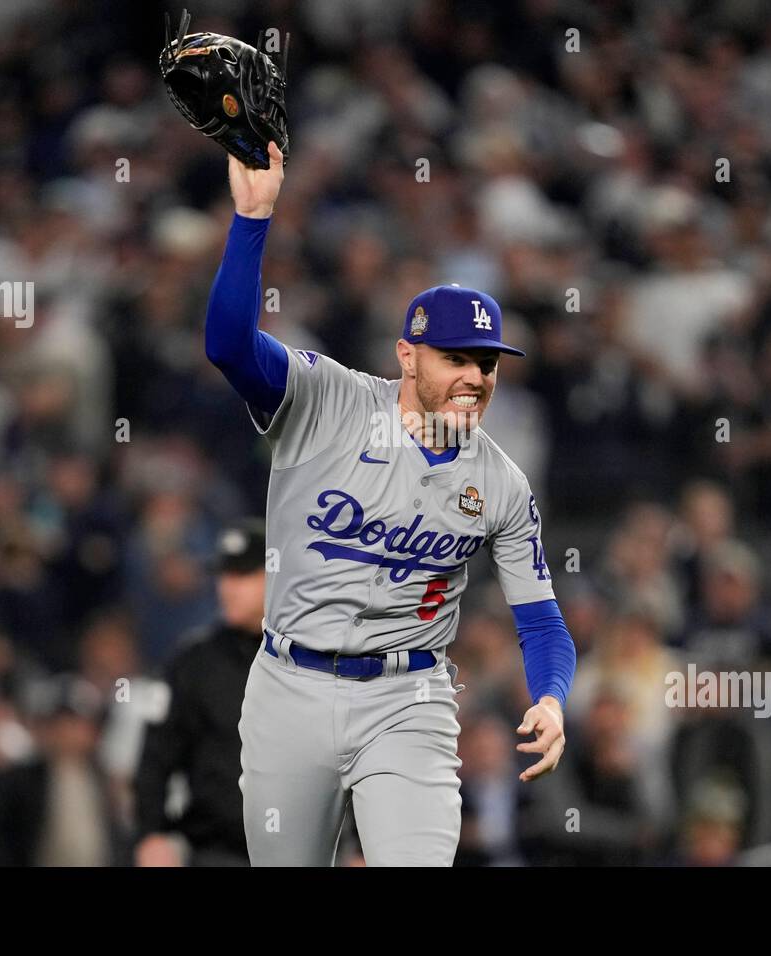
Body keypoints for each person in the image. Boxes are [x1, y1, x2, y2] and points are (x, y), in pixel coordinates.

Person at [203, 142, 576, 866]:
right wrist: (252, 218)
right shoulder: (328, 399)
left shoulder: (501, 481)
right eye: (456, 358)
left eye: (487, 362)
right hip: (290, 687)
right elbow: (228, 346)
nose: (476, 376)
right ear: (407, 355)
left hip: (409, 699)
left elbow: (540, 619)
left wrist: (553, 697)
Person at [134, 520, 267, 867]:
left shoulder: (313, 658)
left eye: (243, 575)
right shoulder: (194, 662)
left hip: (307, 850)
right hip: (218, 850)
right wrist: (151, 833)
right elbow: (155, 757)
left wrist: (359, 844)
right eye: (224, 576)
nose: (227, 588)